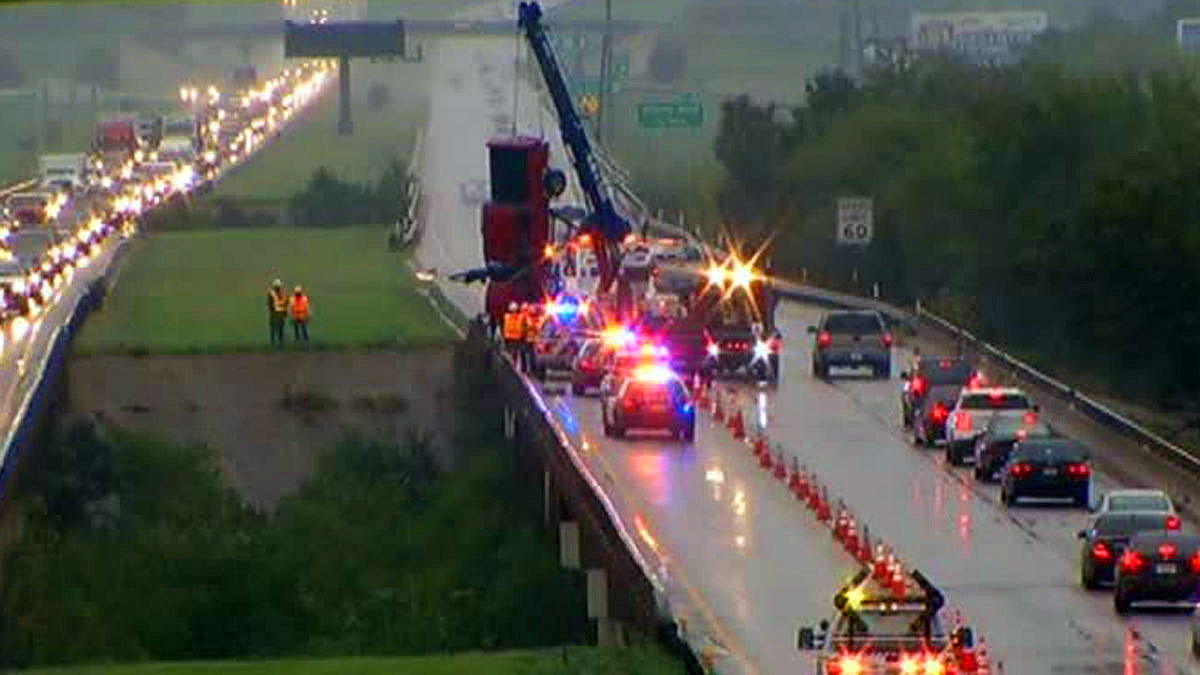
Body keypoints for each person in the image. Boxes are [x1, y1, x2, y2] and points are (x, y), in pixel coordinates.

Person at [267, 279, 288, 347]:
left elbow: (286, 302)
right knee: (275, 328)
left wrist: (285, 311)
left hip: (278, 313)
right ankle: (276, 342)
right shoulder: (273, 293)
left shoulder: (272, 293)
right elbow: (270, 304)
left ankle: (278, 342)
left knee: (278, 328)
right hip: (276, 313)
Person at [502, 301, 524, 365]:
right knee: (516, 352)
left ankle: (511, 361)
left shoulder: (507, 316)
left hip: (510, 337)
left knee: (512, 351)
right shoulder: (520, 317)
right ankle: (514, 362)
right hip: (516, 338)